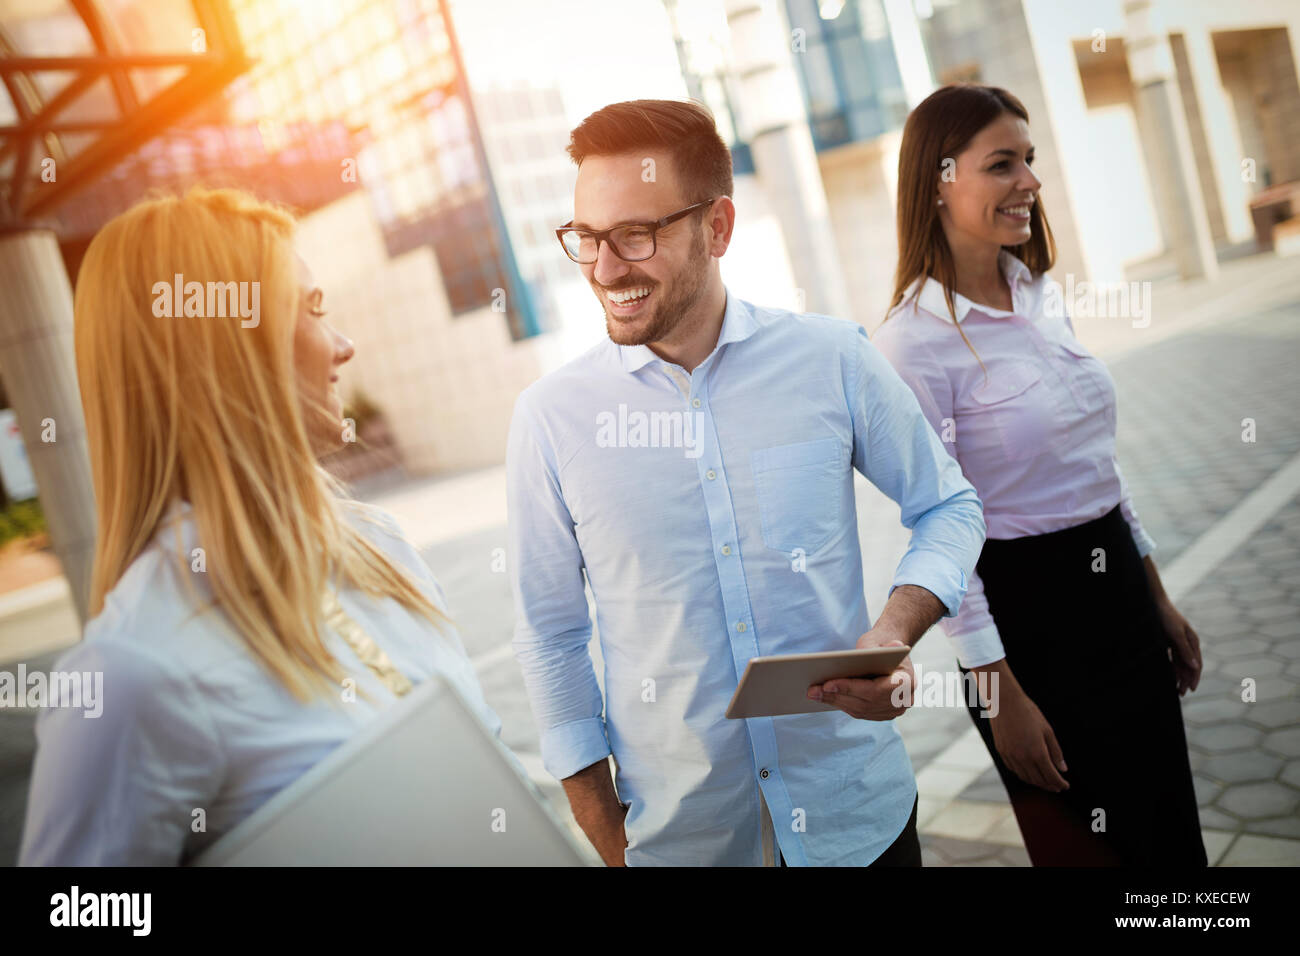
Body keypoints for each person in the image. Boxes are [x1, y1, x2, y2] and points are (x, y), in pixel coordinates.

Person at [506, 99, 987, 867]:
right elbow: (551, 640)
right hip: (680, 843)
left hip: (858, 820)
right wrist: (607, 838)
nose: (604, 268)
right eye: (587, 239)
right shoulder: (549, 420)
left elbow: (950, 506)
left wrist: (896, 629)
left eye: (635, 235)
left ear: (718, 227)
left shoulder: (833, 358)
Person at [20, 187, 504, 865]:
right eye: (310, 309)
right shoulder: (135, 672)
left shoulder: (381, 547)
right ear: (223, 347)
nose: (344, 344)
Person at [871, 84, 1207, 866]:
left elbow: (1096, 466)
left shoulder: (1037, 291)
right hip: (1028, 629)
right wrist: (1000, 696)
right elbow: (937, 530)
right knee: (1095, 853)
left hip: (1117, 587)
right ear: (938, 181)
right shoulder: (910, 344)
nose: (1030, 180)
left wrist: (1154, 592)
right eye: (1003, 164)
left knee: (1170, 840)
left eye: (1029, 160)